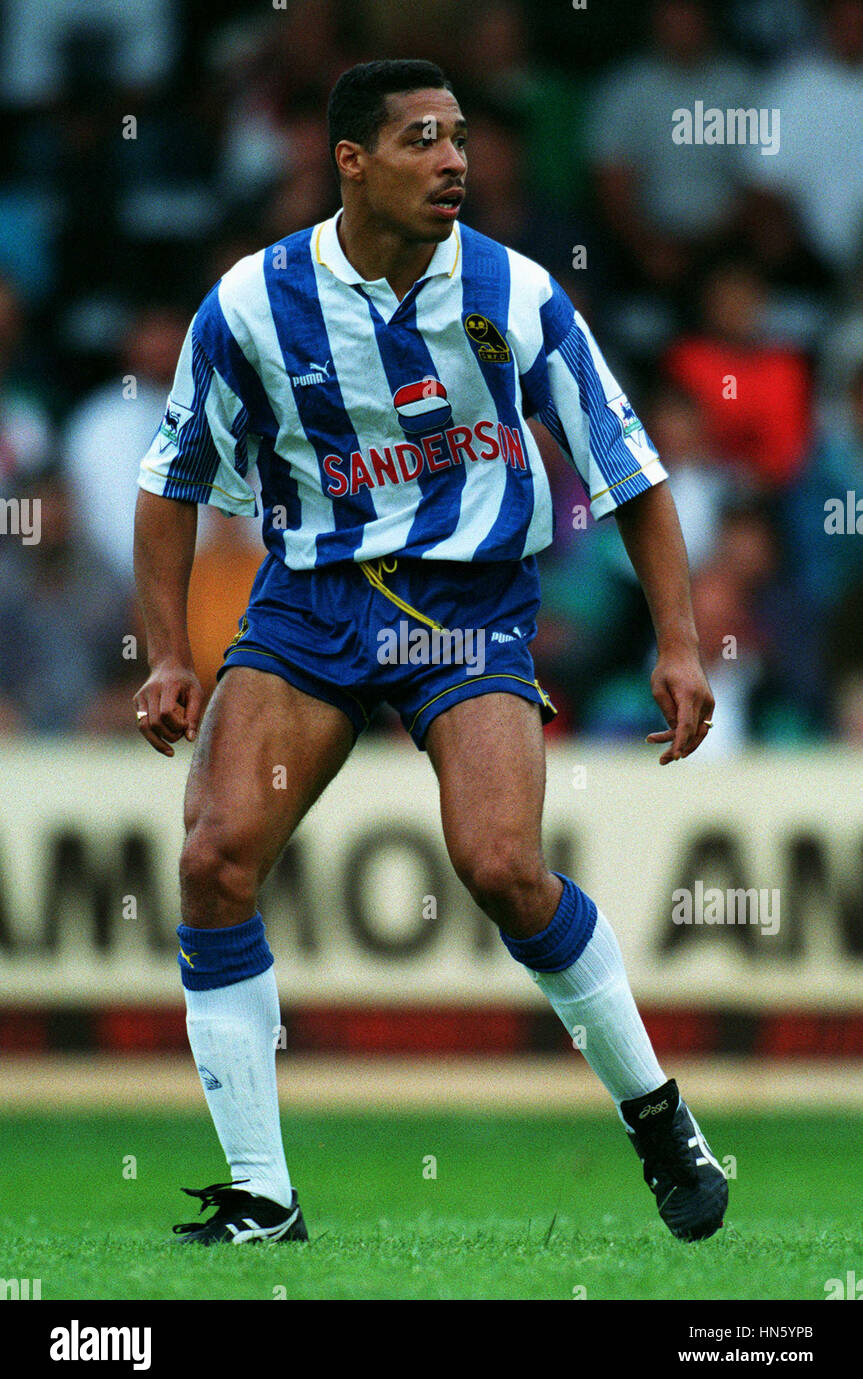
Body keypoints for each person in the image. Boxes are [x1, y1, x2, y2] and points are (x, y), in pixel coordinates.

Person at [133, 59, 727, 1247]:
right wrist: (164, 653)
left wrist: (677, 641)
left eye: (457, 138)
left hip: (466, 610)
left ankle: (657, 1117)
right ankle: (262, 1196)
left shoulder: (512, 295)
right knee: (211, 859)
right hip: (308, 604)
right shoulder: (251, 303)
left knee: (501, 864)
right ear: (350, 161)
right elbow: (172, 481)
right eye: (422, 139)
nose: (454, 159)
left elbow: (628, 470)